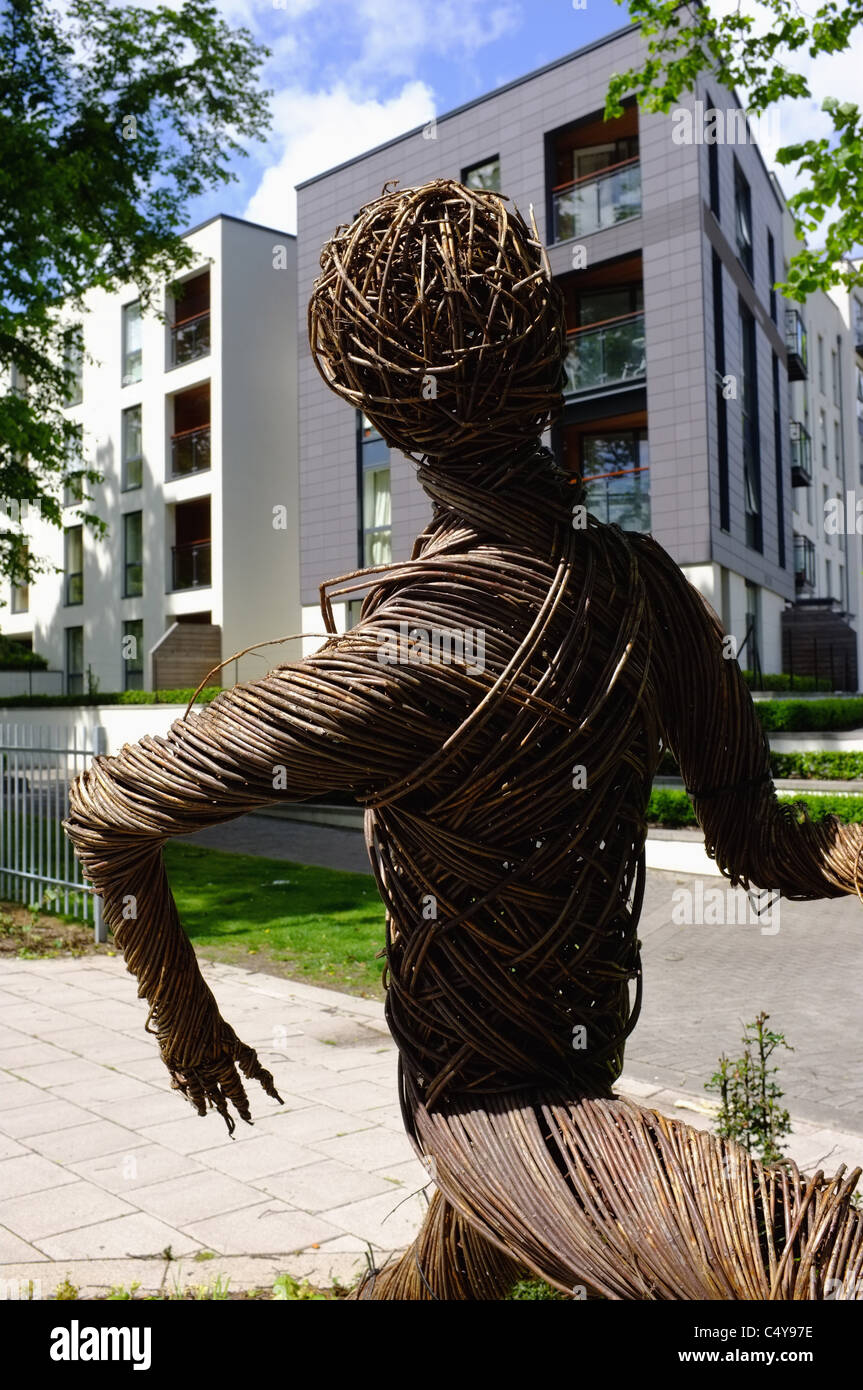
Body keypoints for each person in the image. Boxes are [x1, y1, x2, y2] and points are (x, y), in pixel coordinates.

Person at [65, 179, 863, 1299]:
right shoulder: (639, 595)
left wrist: (188, 1027)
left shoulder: (421, 655)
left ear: (369, 402)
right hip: (505, 1119)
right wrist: (192, 1025)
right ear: (549, 359)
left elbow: (111, 812)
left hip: (501, 1109)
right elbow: (769, 848)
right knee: (794, 1276)